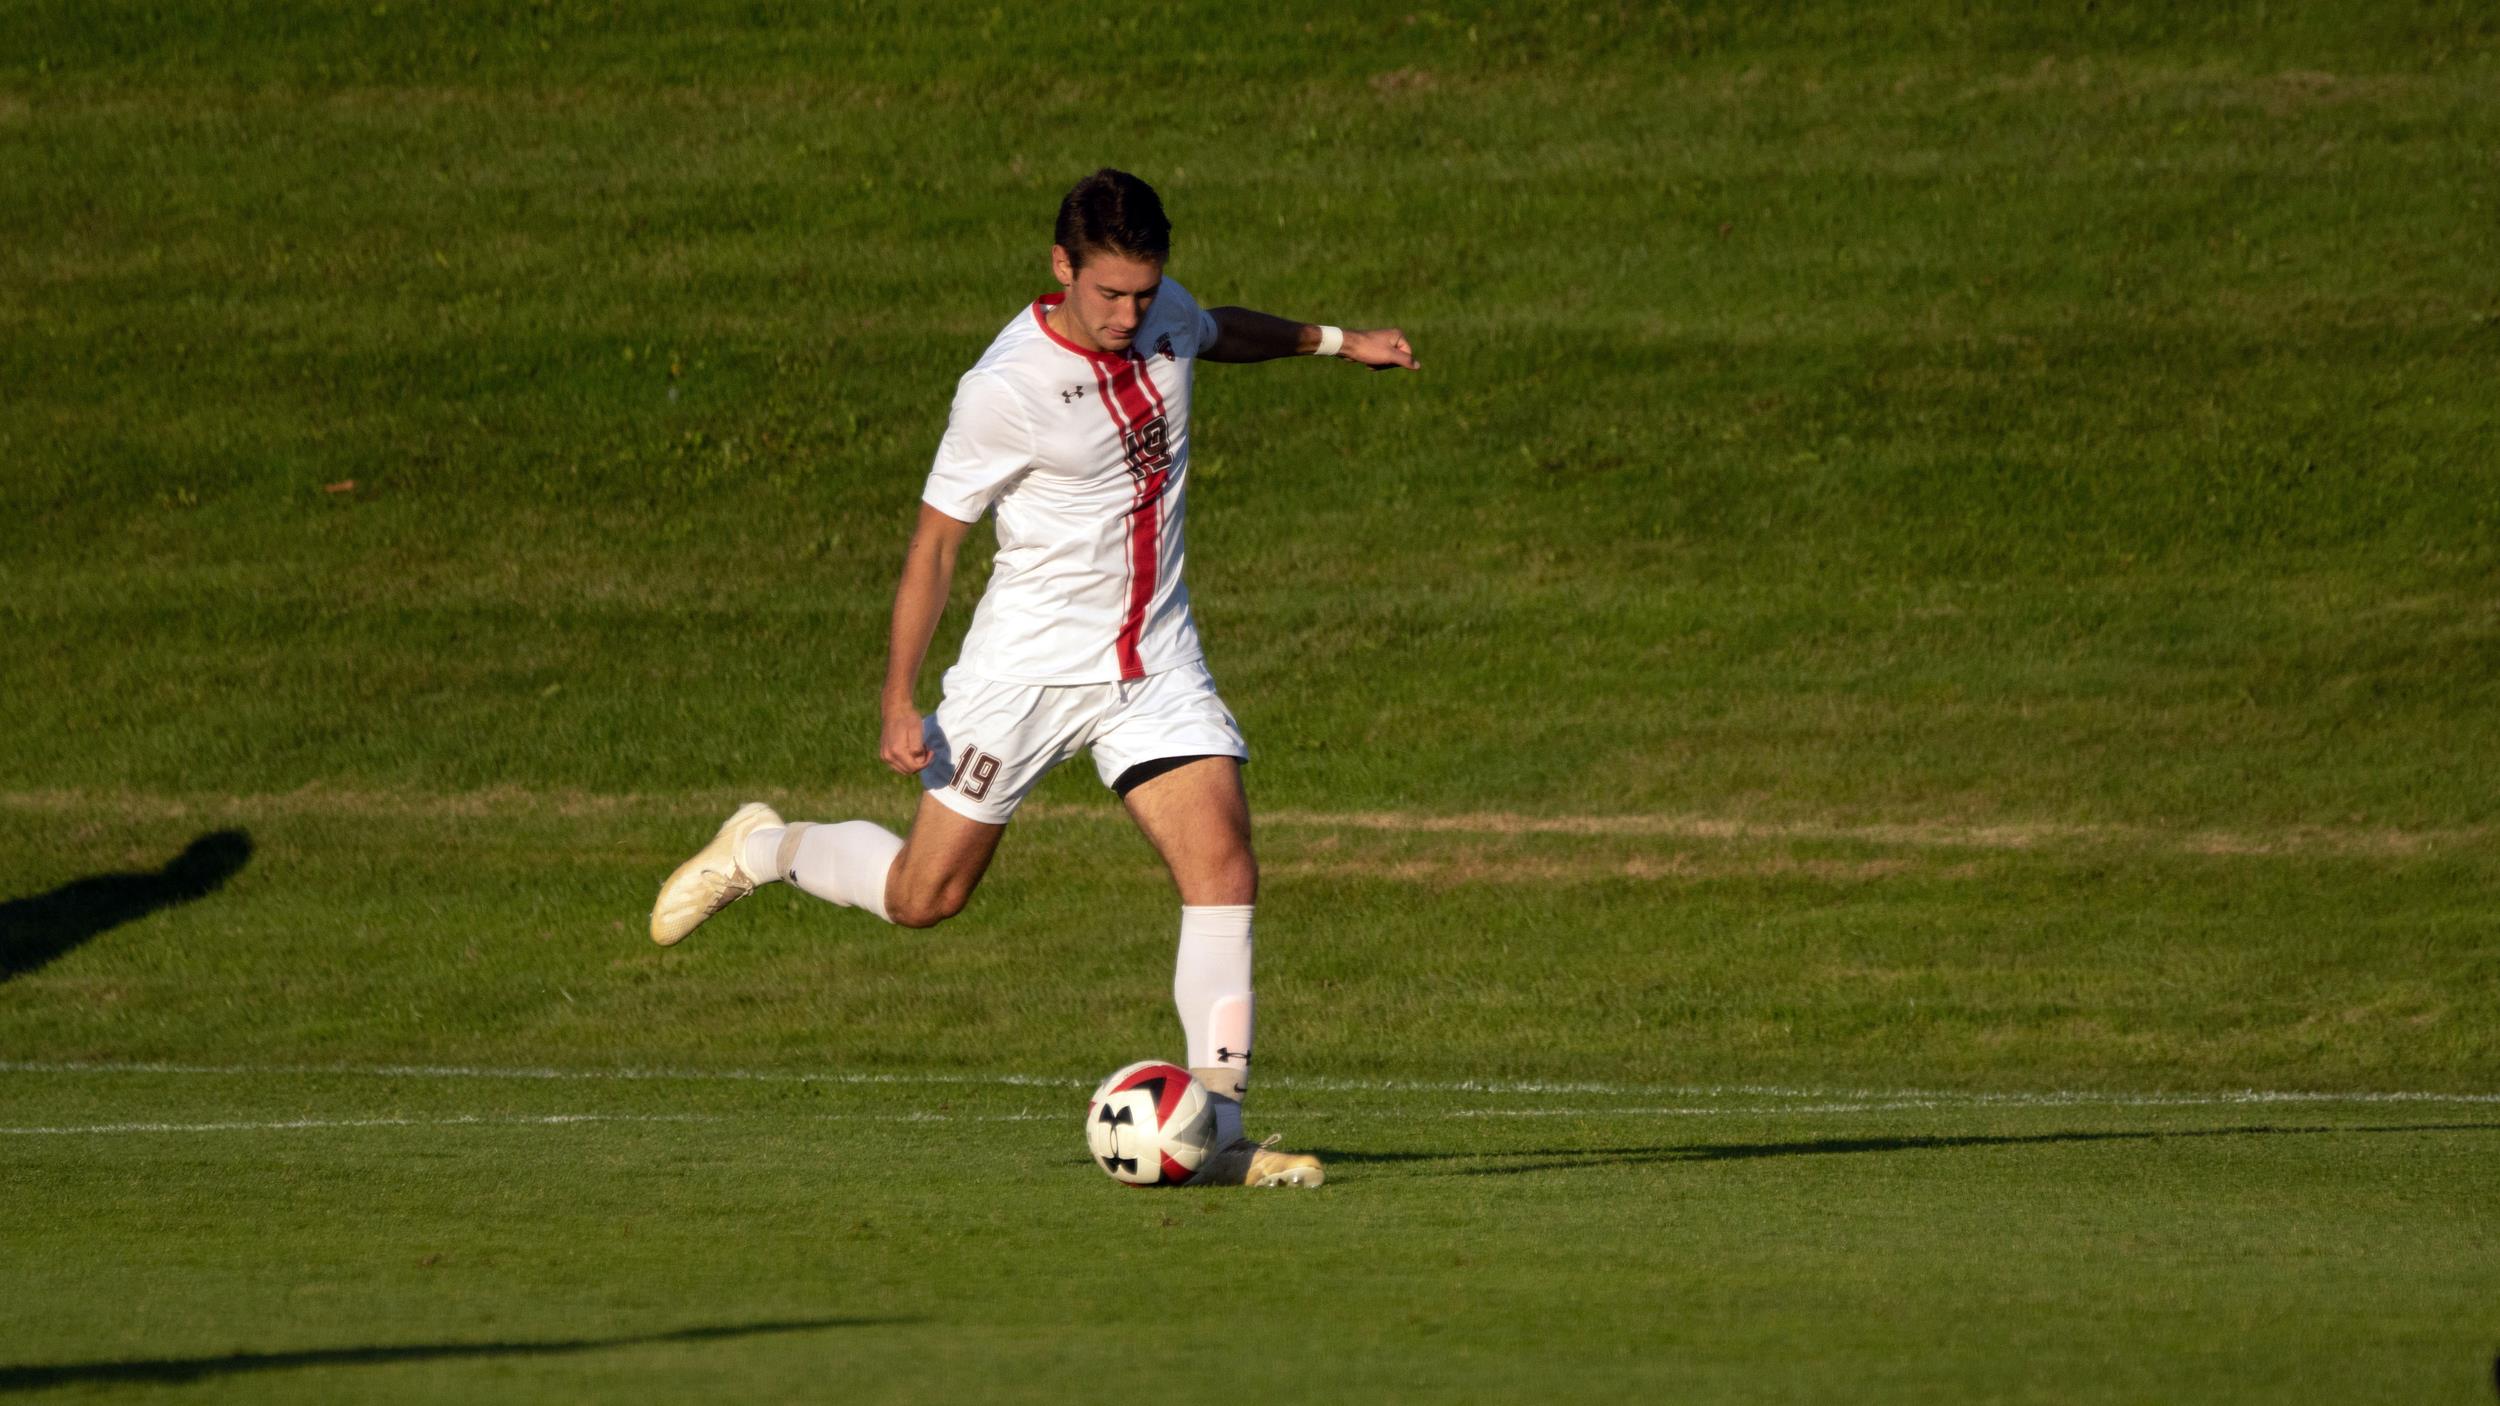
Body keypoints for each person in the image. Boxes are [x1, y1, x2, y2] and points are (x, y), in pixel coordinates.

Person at [650, 168, 1418, 1188]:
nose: (1128, 314)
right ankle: (764, 843)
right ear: (1061, 267)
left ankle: (1219, 1125)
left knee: (1223, 869)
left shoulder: (1159, 313)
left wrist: (1336, 340)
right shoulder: (1001, 390)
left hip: (1152, 661)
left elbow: (1216, 328)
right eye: (1107, 293)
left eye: (1144, 293)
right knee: (925, 896)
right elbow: (933, 547)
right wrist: (896, 696)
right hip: (1023, 673)